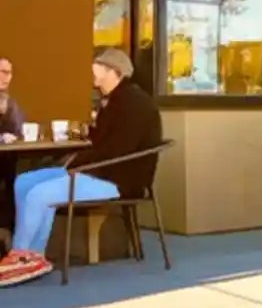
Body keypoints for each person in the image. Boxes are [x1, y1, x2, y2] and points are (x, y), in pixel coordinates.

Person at [0, 49, 161, 287]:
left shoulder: (134, 104)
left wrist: (75, 162)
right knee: (24, 182)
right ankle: (33, 256)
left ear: (111, 71)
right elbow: (103, 141)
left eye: (96, 68)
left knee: (39, 194)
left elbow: (116, 151)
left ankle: (21, 255)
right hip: (97, 169)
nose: (91, 74)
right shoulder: (114, 100)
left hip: (116, 179)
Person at [0, 57, 23, 241]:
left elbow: (18, 129)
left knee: (18, 178)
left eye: (9, 73)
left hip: (6, 161)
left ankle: (10, 234)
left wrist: (7, 112)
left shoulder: (9, 102)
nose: (5, 77)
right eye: (2, 72)